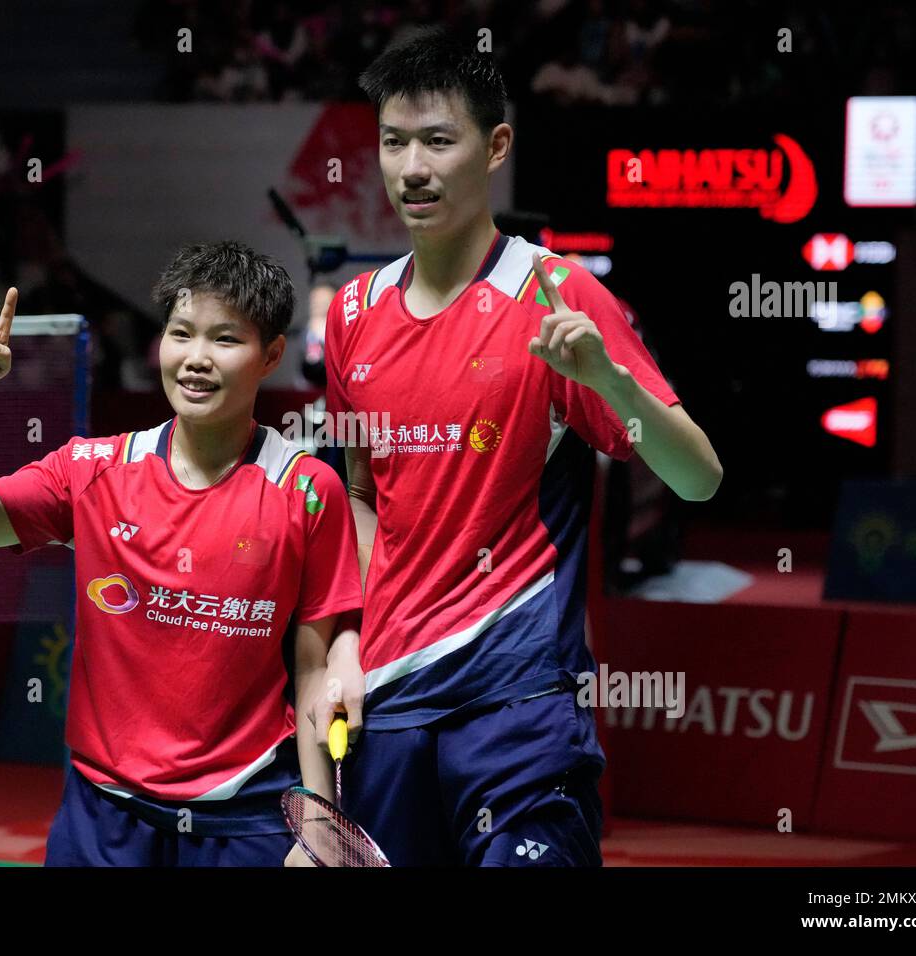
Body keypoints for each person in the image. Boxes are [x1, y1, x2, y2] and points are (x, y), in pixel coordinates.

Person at [313, 27, 723, 866]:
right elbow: (360, 492)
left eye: (438, 140)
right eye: (394, 142)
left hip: (520, 700)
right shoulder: (353, 313)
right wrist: (348, 642)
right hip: (389, 703)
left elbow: (699, 479)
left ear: (495, 146)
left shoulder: (558, 293)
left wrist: (609, 382)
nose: (413, 168)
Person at [0, 241, 364, 866]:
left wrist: (320, 829)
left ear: (270, 357)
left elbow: (314, 668)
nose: (196, 359)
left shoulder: (306, 490)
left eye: (225, 340)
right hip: (105, 818)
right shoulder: (94, 471)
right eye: (180, 334)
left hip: (244, 817)